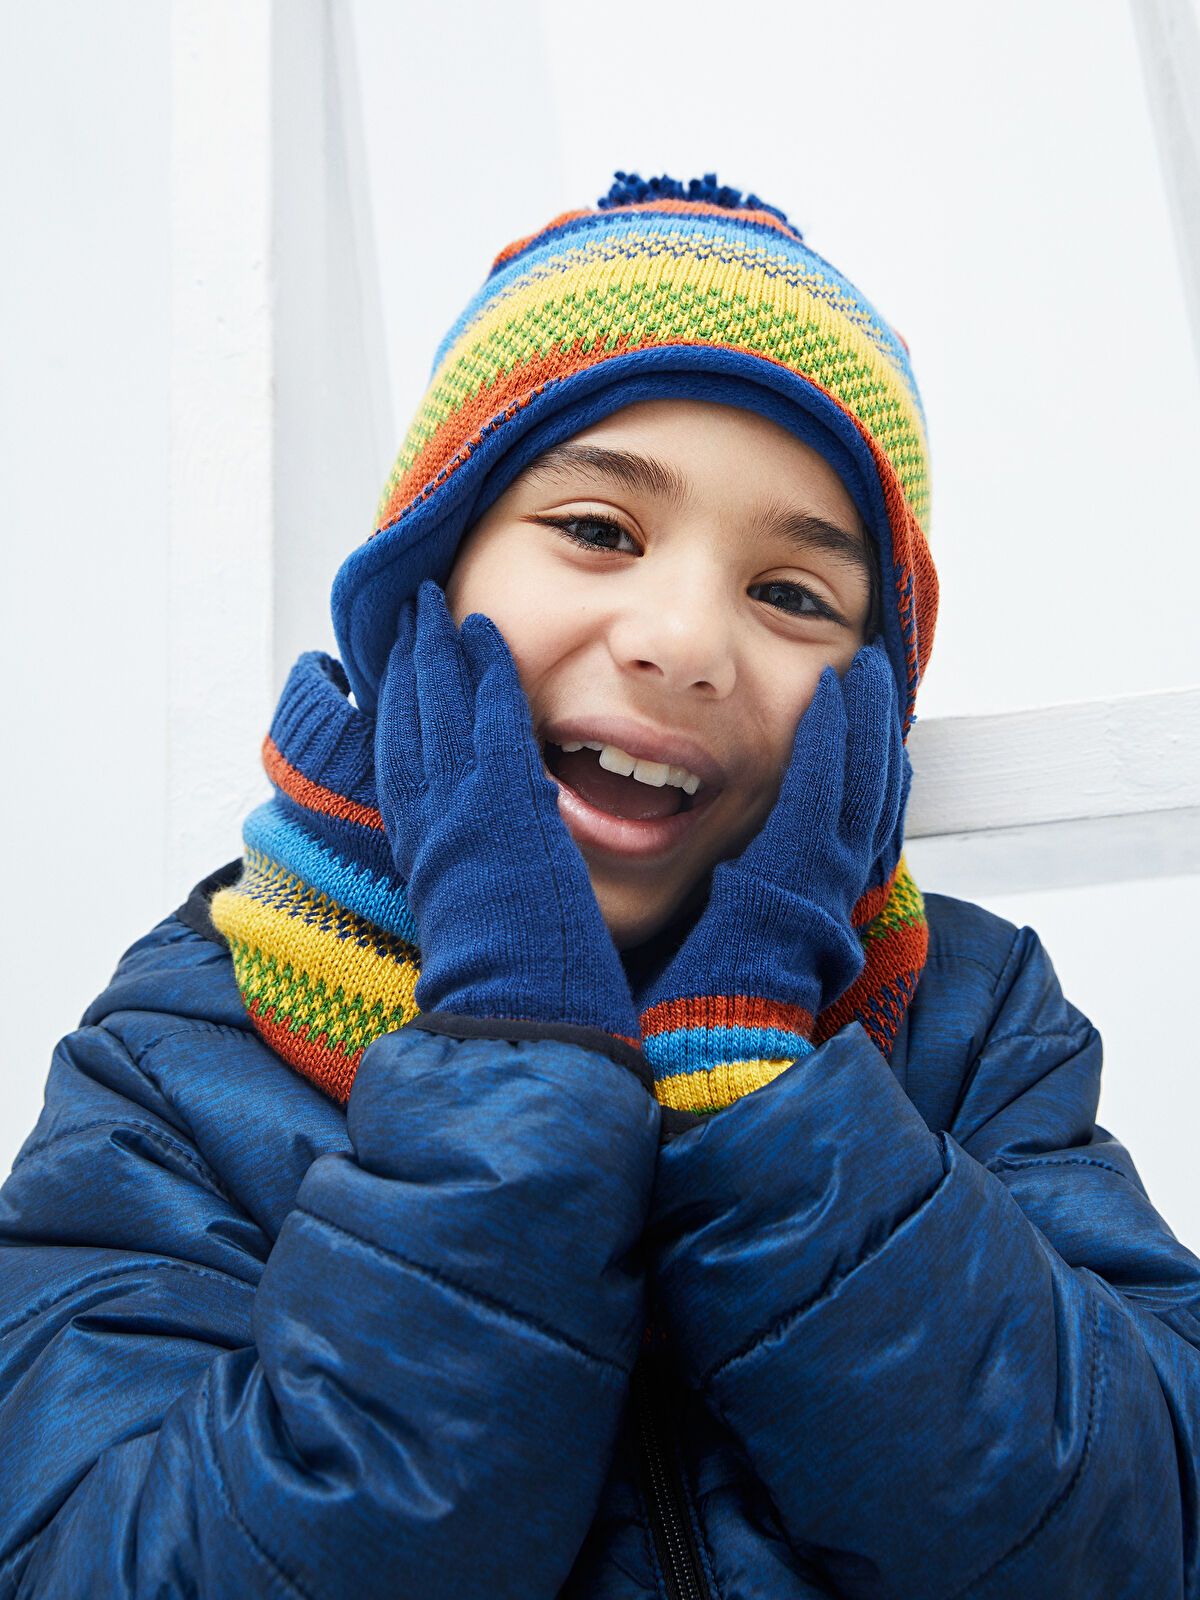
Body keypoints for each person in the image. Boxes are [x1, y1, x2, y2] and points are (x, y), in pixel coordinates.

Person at [1, 172, 1197, 1600]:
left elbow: (1137, 1531)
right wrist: (513, 1056)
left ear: (872, 712)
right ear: (421, 598)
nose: (685, 639)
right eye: (598, 531)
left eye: (795, 595)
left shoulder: (975, 1027)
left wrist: (760, 1095)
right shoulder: (183, 1055)